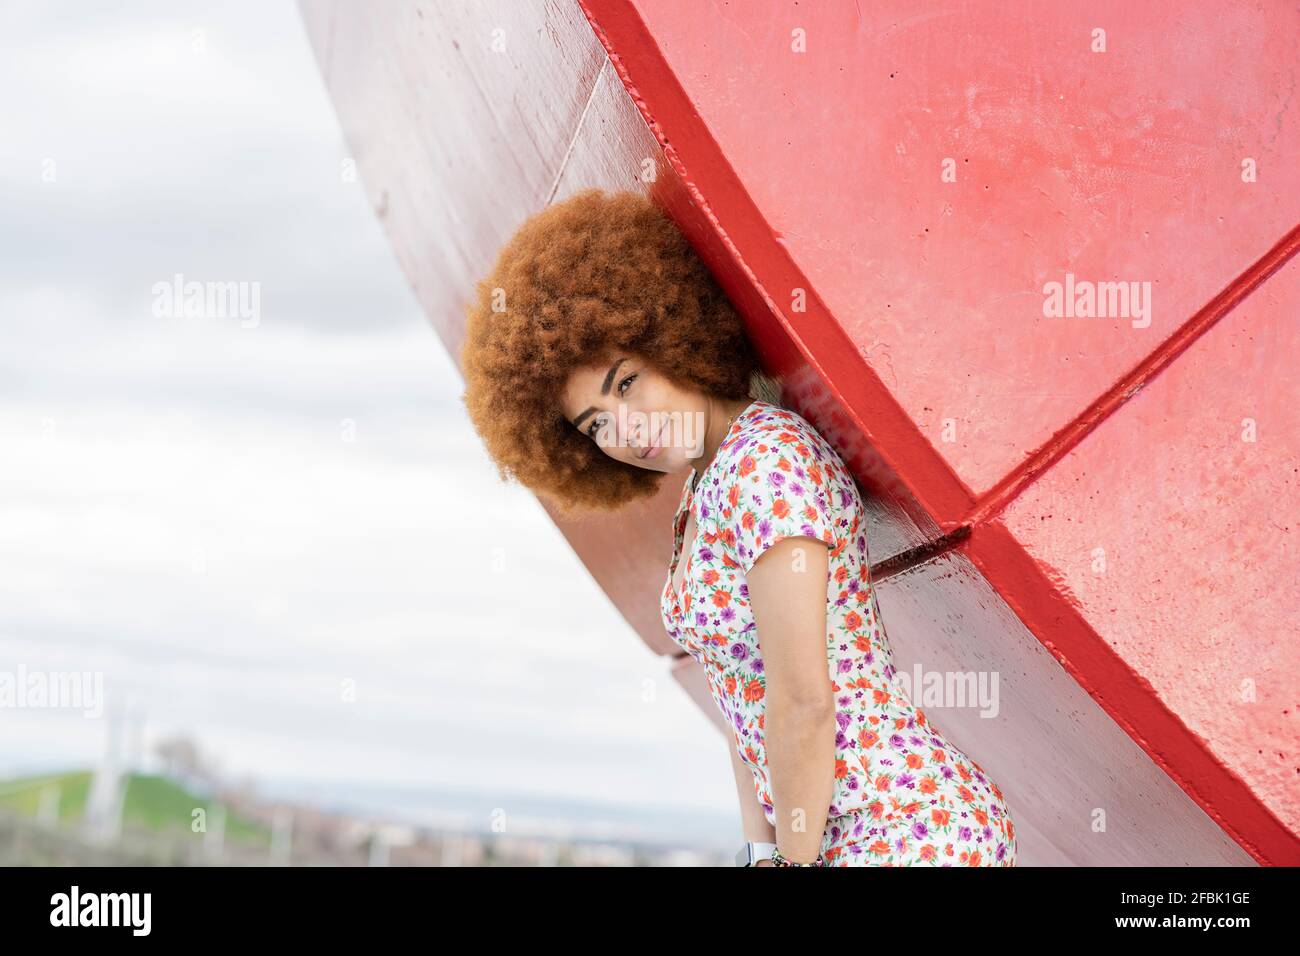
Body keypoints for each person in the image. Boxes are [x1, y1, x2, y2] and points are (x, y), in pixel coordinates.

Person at [460, 187, 1017, 867]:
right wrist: (760, 851)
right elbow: (741, 696)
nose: (624, 428)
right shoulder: (704, 488)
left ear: (668, 338)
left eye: (626, 383)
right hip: (825, 839)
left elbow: (803, 700)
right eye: (595, 425)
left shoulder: (766, 463)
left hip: (905, 829)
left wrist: (790, 861)